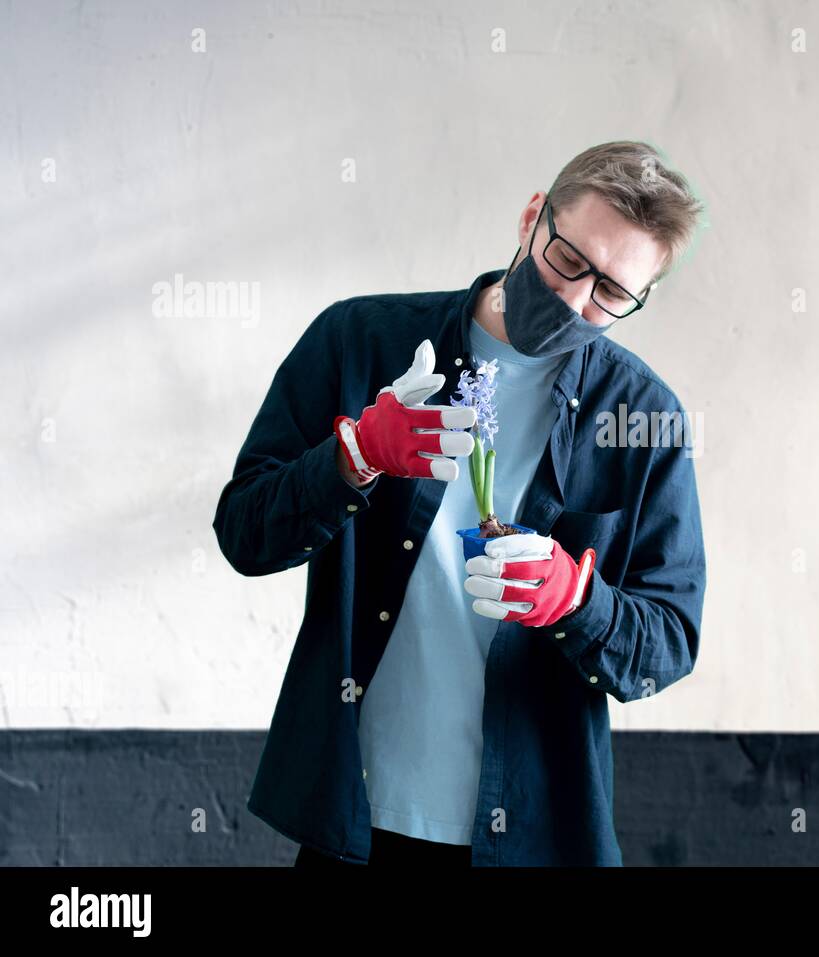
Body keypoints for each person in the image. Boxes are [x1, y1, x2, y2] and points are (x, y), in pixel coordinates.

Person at [213, 141, 707, 866]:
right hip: (355, 821)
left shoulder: (643, 418)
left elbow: (668, 642)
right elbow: (244, 534)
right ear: (533, 217)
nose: (577, 300)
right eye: (569, 259)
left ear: (642, 295)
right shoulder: (360, 341)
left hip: (532, 835)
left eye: (612, 292)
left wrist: (577, 600)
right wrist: (350, 460)